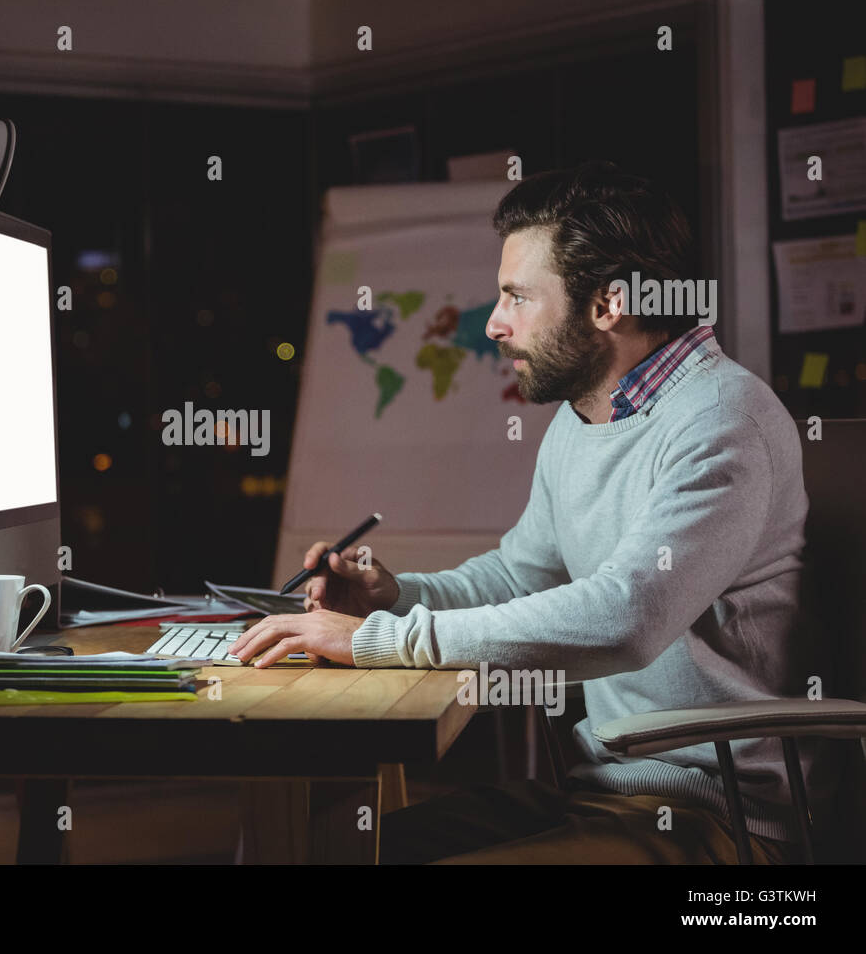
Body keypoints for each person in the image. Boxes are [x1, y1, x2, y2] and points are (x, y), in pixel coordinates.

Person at [229, 162, 826, 864]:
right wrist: (391, 598)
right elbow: (522, 575)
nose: (496, 325)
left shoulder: (723, 421)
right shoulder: (585, 417)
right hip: (600, 787)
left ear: (607, 306)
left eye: (517, 298)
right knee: (310, 852)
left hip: (716, 815)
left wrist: (375, 643)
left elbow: (627, 619)